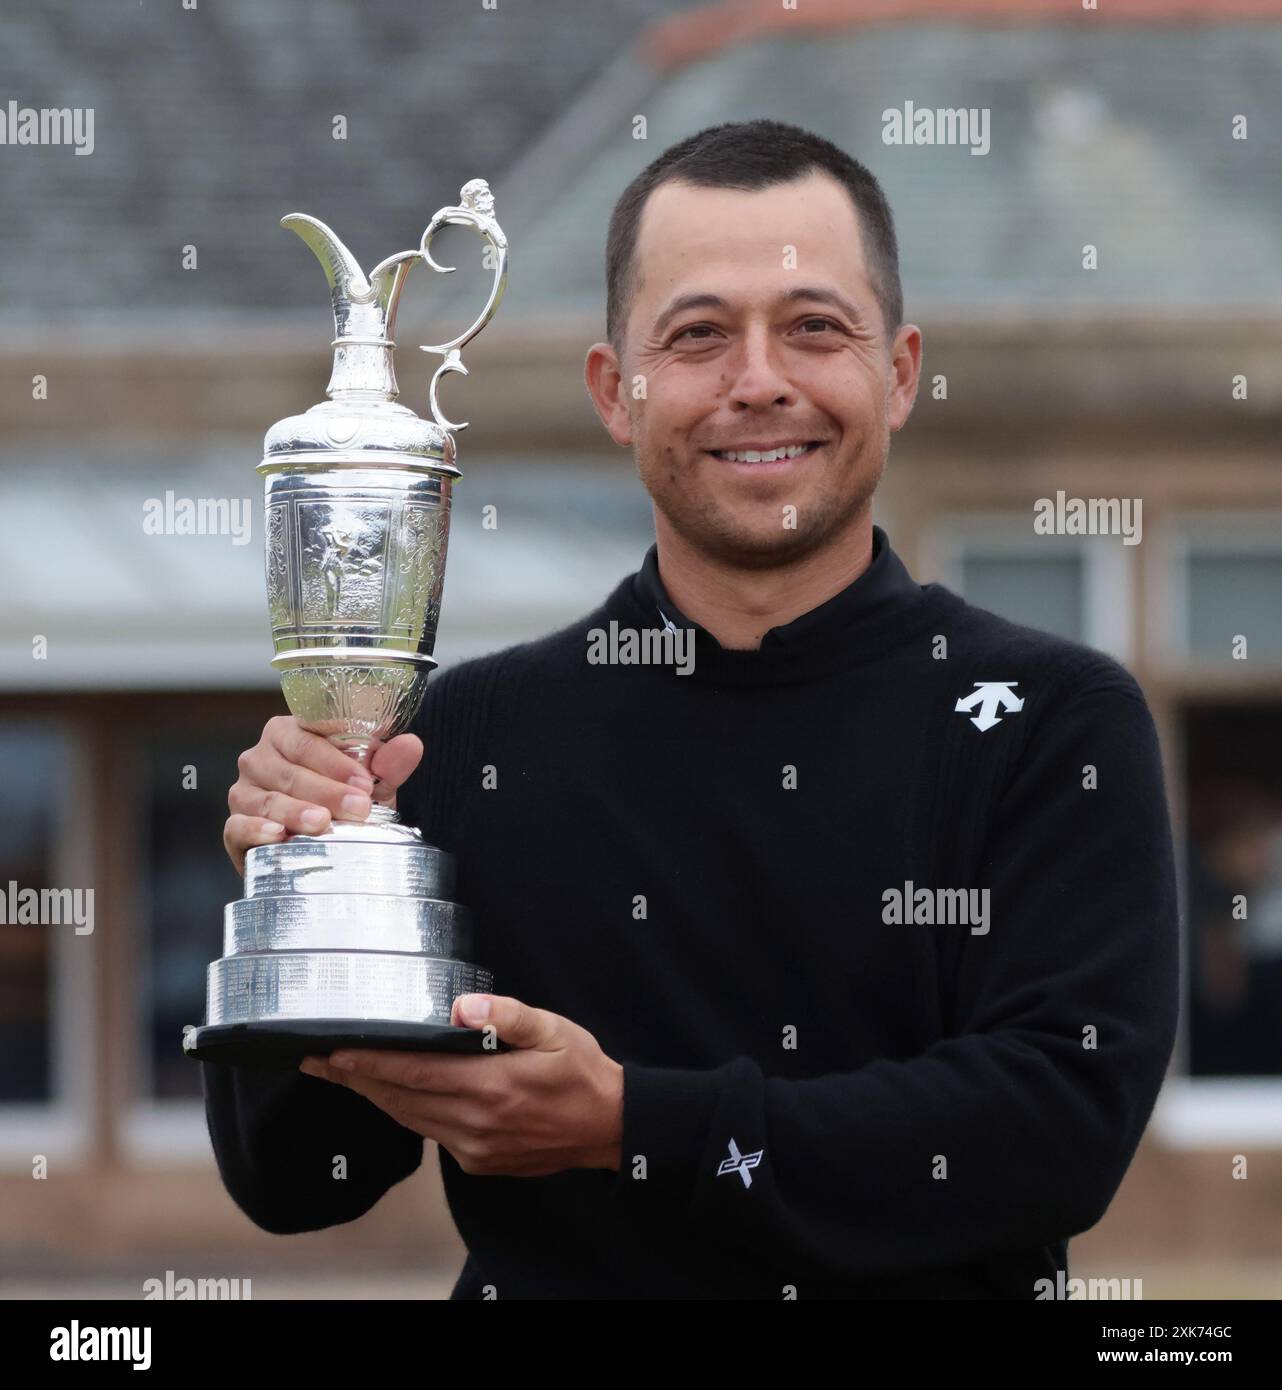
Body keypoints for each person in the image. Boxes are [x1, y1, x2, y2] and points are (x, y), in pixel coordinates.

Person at [208, 118, 1179, 1299]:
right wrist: (290, 887)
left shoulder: (1051, 720)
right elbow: (302, 1180)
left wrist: (631, 1123)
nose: (759, 380)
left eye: (815, 328)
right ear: (616, 392)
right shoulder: (467, 733)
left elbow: (1053, 1134)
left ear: (902, 372)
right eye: (699, 335)